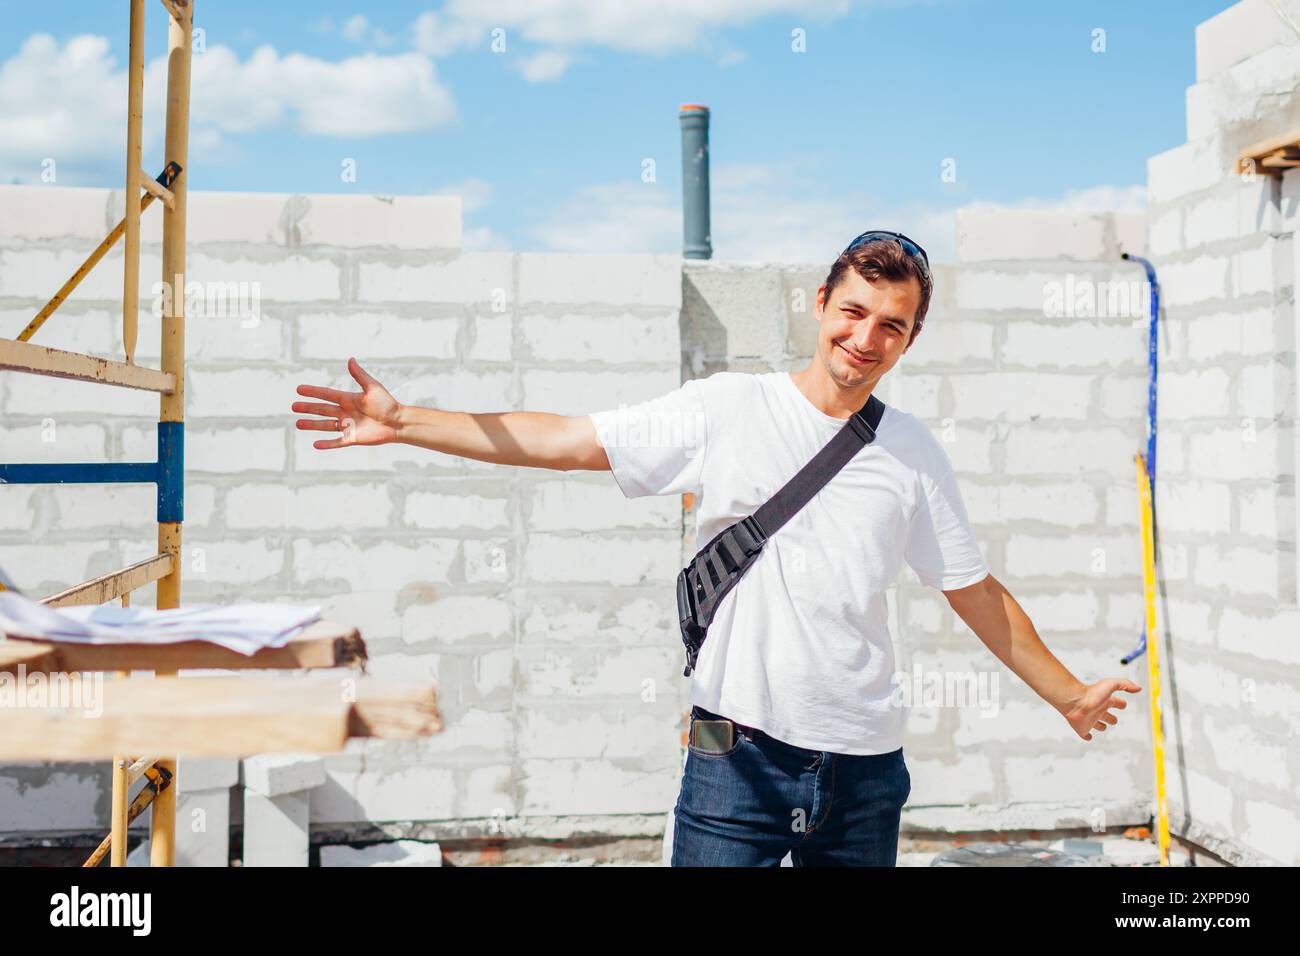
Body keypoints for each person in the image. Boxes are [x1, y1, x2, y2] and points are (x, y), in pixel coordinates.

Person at [291, 228, 1142, 867]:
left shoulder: (912, 450)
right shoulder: (730, 408)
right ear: (820, 304)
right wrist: (408, 423)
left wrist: (1066, 694)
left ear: (908, 339)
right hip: (736, 755)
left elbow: (973, 589)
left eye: (891, 325)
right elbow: (564, 438)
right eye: (853, 311)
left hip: (864, 768)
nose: (865, 337)